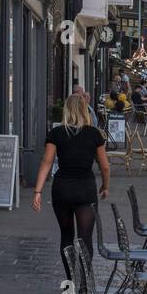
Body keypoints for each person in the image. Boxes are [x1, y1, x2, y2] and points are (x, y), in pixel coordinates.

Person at [32, 93, 109, 280]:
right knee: (85, 238)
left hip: (62, 189)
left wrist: (38, 191)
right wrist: (105, 186)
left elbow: (46, 162)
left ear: (66, 110)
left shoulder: (57, 133)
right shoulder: (94, 134)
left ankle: (70, 281)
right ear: (85, 110)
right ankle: (84, 284)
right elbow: (105, 166)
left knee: (66, 236)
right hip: (85, 190)